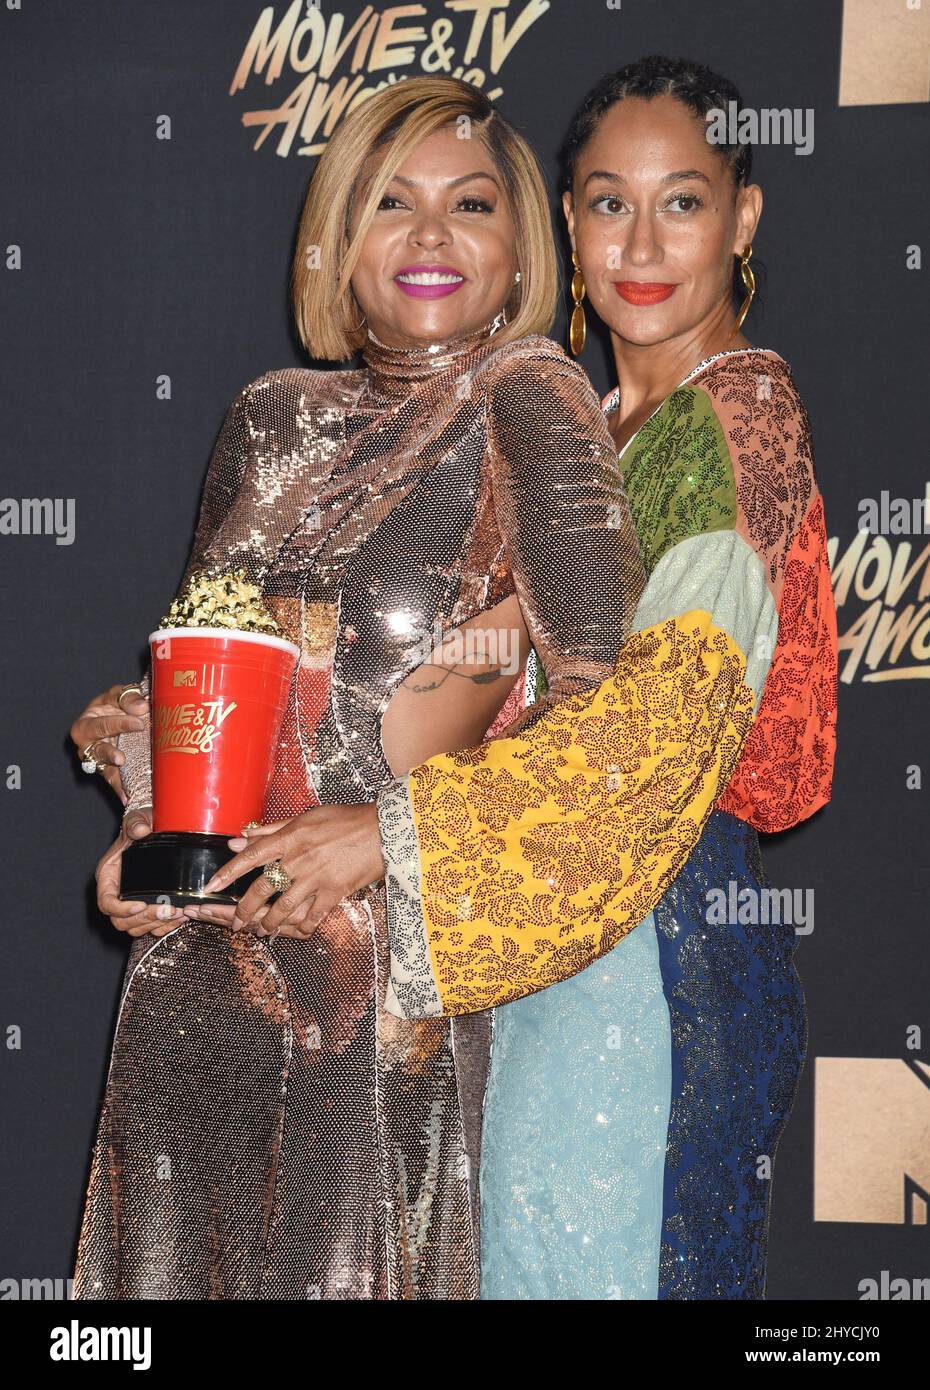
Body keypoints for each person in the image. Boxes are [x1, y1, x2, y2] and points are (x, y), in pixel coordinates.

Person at [202, 57, 838, 1301]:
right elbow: (476, 681)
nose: (642, 243)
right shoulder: (591, 427)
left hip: (643, 961)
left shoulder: (732, 423)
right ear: (568, 220)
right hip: (536, 957)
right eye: (609, 202)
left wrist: (386, 835)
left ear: (744, 216)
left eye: (684, 201)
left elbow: (655, 738)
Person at [68, 76, 644, 1300]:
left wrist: (387, 834)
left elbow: (609, 693)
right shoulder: (265, 417)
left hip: (375, 990)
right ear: (335, 236)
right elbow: (210, 676)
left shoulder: (524, 397)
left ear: (520, 245)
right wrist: (141, 818)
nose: (431, 237)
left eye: (471, 204)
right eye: (392, 201)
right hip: (200, 973)